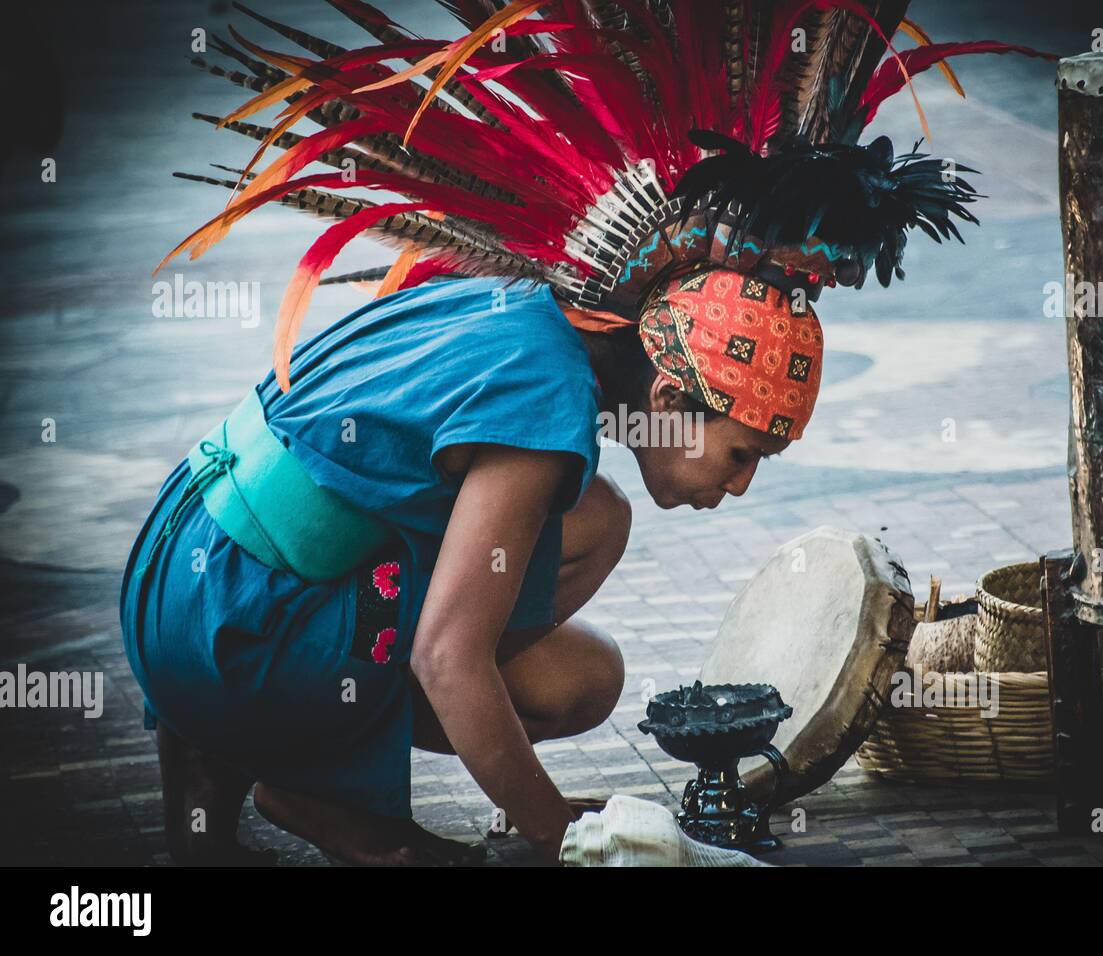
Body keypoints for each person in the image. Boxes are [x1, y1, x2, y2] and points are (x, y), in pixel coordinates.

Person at [125, 0, 1047, 865]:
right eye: (741, 454)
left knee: (586, 640)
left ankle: (226, 745)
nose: (741, 487)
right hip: (233, 621)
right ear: (670, 392)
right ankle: (317, 789)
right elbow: (447, 656)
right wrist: (562, 831)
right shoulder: (544, 399)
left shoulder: (530, 312)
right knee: (482, 640)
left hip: (187, 582)